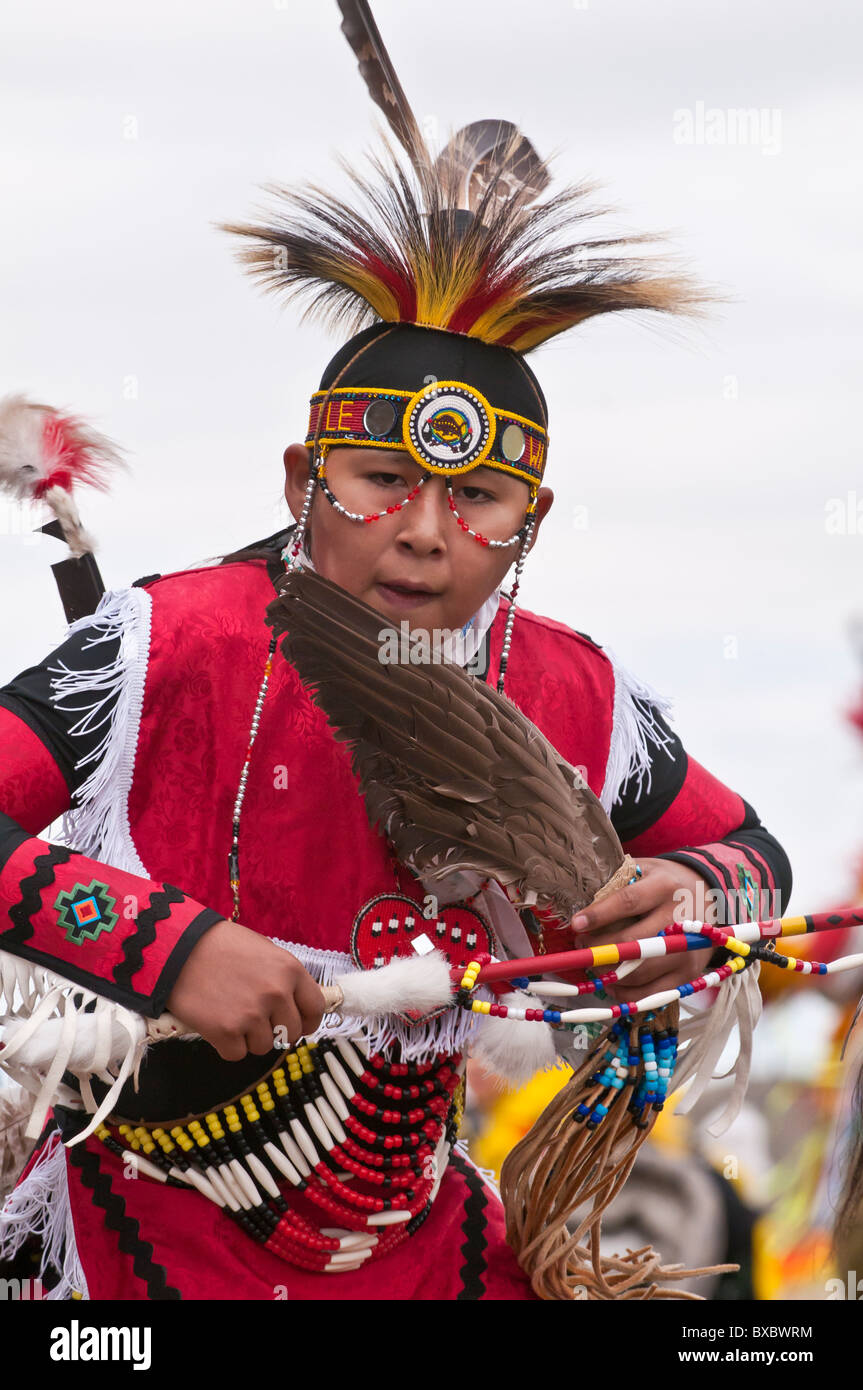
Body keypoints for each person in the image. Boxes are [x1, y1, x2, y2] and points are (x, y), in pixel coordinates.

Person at [0, 126, 791, 1302]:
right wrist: (165, 948)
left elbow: (755, 856)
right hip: (126, 1247)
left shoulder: (570, 688)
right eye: (382, 483)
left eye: (476, 498)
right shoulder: (174, 639)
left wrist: (690, 897)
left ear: (532, 518)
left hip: (428, 1254)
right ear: (298, 479)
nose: (425, 532)